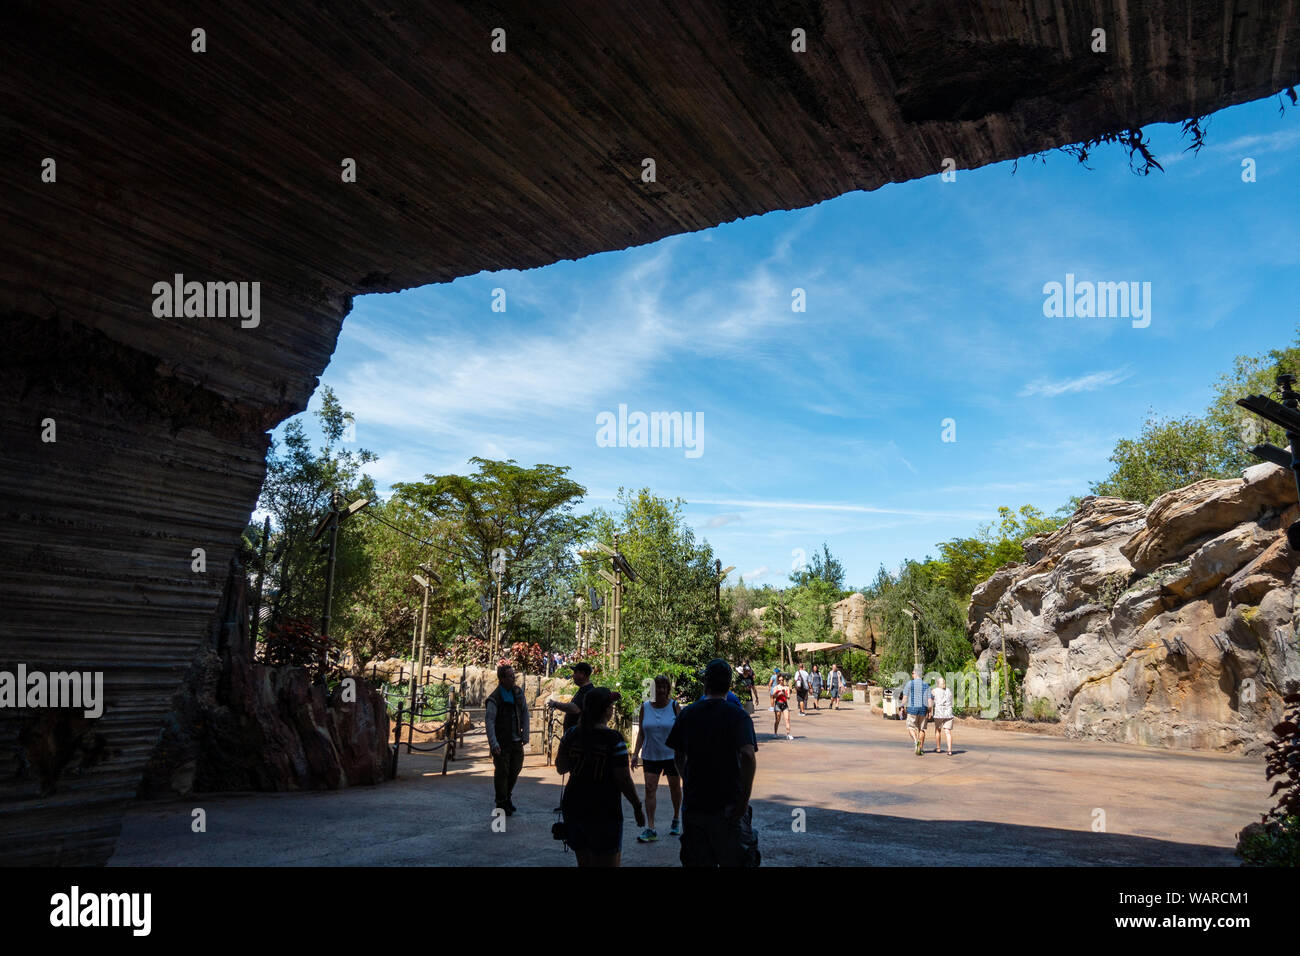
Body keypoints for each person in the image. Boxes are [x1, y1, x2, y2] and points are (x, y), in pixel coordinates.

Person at [665, 659, 759, 867]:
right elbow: (748, 756)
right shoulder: (739, 716)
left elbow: (678, 754)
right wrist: (743, 800)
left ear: (705, 682)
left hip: (696, 803)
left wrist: (687, 778)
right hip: (729, 804)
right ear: (729, 684)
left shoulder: (688, 714)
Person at [555, 687, 645, 866]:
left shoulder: (571, 734)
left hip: (574, 805)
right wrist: (636, 806)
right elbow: (623, 780)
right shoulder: (613, 739)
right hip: (604, 810)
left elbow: (560, 767)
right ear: (607, 710)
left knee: (584, 861)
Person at [631, 674, 682, 842]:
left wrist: (685, 753)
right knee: (649, 788)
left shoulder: (674, 706)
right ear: (652, 689)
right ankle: (650, 827)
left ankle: (675, 818)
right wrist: (635, 753)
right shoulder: (645, 707)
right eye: (657, 687)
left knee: (675, 788)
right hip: (651, 755)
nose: (660, 690)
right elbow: (642, 734)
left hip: (672, 755)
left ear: (667, 690)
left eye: (663, 687)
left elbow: (683, 731)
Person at [485, 664, 530, 814]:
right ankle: (501, 802)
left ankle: (507, 796)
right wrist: (493, 742)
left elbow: (524, 712)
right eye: (510, 676)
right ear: (502, 679)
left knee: (515, 768)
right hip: (502, 741)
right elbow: (489, 721)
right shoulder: (495, 698)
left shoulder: (517, 693)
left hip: (516, 739)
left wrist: (525, 734)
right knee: (502, 772)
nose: (513, 679)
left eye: (513, 676)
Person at [548, 661, 593, 733]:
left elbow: (575, 708)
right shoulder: (583, 690)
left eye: (575, 672)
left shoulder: (587, 691)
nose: (573, 675)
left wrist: (555, 704)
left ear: (582, 674)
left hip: (578, 738)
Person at [902, 669, 933, 756]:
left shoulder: (910, 683)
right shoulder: (926, 685)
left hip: (912, 709)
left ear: (915, 674)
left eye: (912, 673)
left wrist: (902, 706)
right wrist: (930, 711)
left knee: (911, 727)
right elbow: (929, 700)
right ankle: (921, 748)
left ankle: (916, 741)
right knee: (922, 729)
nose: (911, 675)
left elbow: (905, 697)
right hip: (923, 710)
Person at [931, 676, 954, 755]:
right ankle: (949, 750)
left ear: (937, 684)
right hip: (948, 713)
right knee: (948, 732)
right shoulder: (949, 691)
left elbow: (931, 700)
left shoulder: (934, 690)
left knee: (938, 729)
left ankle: (938, 748)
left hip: (939, 713)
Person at [771, 675, 793, 740]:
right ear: (778, 681)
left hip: (785, 704)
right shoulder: (776, 687)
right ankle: (775, 733)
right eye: (780, 680)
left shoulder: (786, 688)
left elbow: (788, 697)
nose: (781, 681)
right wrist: (778, 694)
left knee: (787, 719)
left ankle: (788, 734)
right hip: (778, 704)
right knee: (777, 719)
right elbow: (773, 696)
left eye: (782, 680)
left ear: (784, 680)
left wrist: (784, 694)